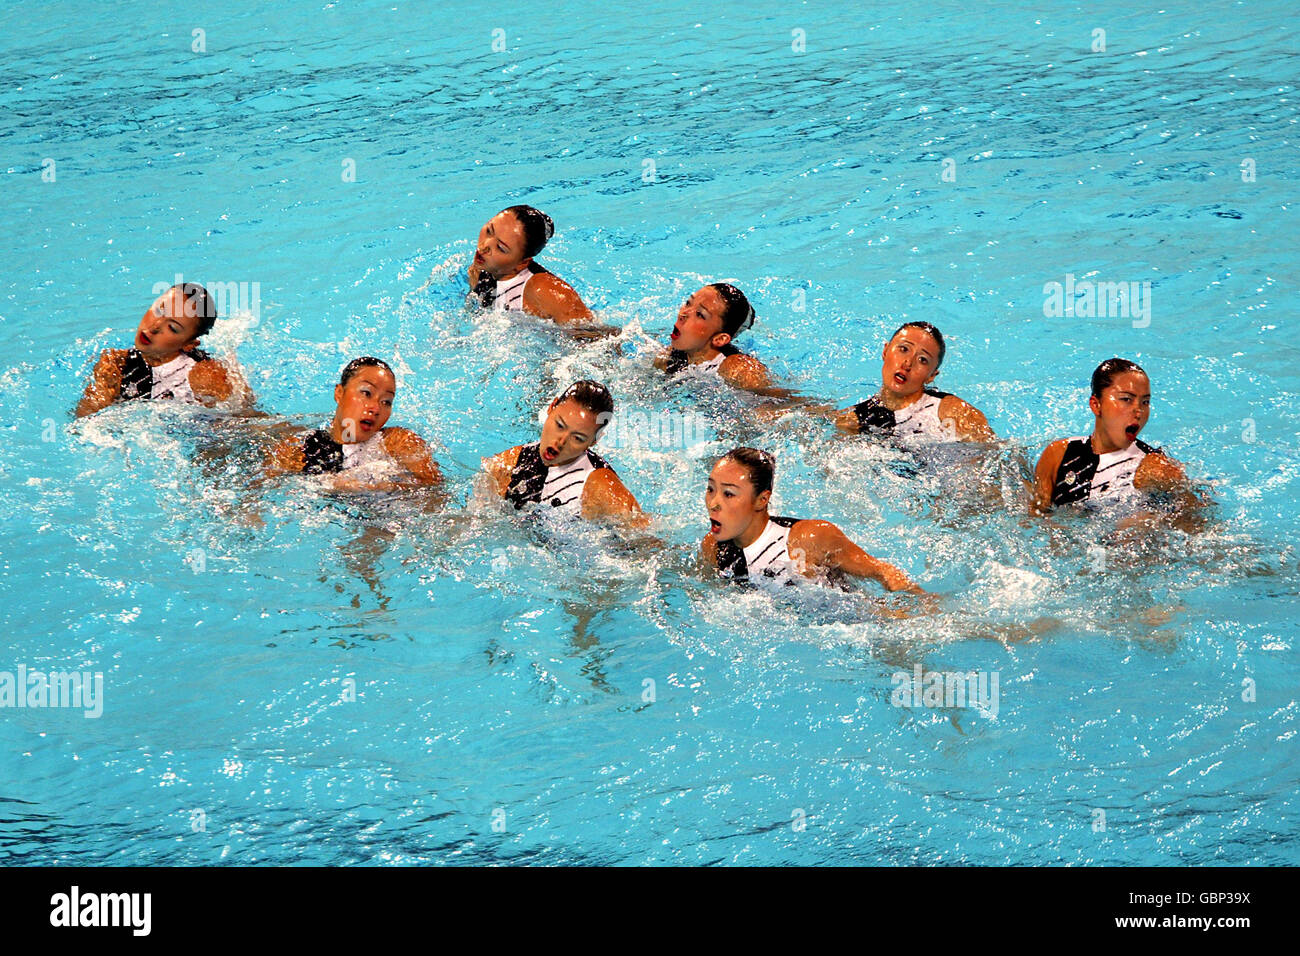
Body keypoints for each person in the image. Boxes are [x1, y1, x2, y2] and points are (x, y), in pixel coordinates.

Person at [701, 447, 926, 593]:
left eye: (729, 494)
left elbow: (882, 571)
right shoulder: (713, 549)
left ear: (762, 500)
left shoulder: (807, 538)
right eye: (711, 489)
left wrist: (925, 604)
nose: (713, 503)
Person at [1032, 358, 1204, 515]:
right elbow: (1035, 518)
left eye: (1145, 402)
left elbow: (1197, 516)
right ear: (1096, 405)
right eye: (1126, 399)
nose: (1138, 411)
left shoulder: (1151, 467)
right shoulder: (1059, 454)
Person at [264, 357, 444, 492]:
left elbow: (435, 493)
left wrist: (378, 487)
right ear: (339, 393)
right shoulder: (300, 449)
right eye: (366, 393)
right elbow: (258, 493)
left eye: (386, 401)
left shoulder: (398, 443)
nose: (375, 408)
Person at [482, 380, 647, 526]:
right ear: (551, 407)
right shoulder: (509, 462)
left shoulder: (600, 486)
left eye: (577, 438)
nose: (560, 442)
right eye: (560, 425)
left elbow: (645, 541)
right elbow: (480, 519)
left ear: (594, 441)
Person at [75, 284, 236, 417]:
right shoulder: (116, 364)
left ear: (189, 344)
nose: (155, 326)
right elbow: (84, 422)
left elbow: (243, 422)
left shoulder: (204, 374)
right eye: (159, 310)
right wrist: (104, 387)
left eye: (172, 327)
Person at [830, 322, 994, 442]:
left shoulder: (950, 410)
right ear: (885, 351)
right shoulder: (853, 421)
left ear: (931, 375)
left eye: (922, 360)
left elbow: (993, 455)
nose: (908, 363)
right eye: (904, 349)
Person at [466, 205, 594, 324]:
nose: (484, 246)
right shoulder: (481, 268)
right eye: (489, 230)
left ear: (523, 262)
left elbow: (594, 336)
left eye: (501, 248)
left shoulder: (545, 290)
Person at [656, 283, 771, 390]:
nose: (683, 313)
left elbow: (779, 401)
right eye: (688, 303)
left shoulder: (738, 368)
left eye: (700, 314)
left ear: (720, 339)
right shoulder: (667, 359)